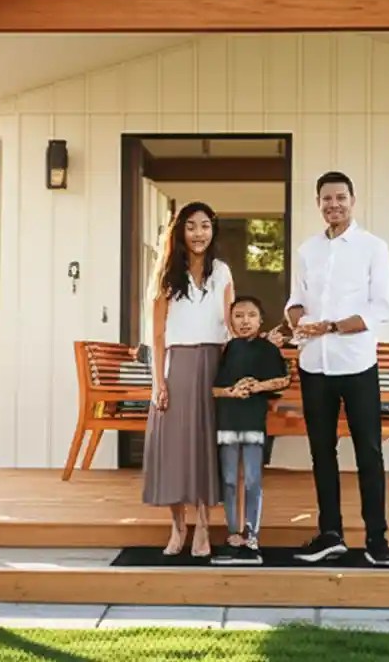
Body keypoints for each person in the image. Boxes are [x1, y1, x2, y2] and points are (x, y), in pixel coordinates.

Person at [271, 170, 389, 567]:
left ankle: (377, 540)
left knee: (369, 452)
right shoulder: (307, 250)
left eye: (340, 197)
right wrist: (296, 321)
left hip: (357, 362)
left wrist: (332, 326)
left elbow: (382, 307)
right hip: (313, 364)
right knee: (321, 452)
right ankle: (331, 534)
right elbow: (295, 299)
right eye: (326, 199)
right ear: (318, 203)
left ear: (352, 200)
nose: (333, 205)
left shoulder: (373, 247)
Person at [142, 201, 233, 558]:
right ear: (180, 232)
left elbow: (229, 326)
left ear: (213, 230)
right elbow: (158, 335)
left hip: (213, 363)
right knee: (173, 448)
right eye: (192, 226)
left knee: (204, 448)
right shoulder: (165, 274)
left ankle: (204, 528)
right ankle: (178, 527)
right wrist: (158, 383)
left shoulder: (222, 272)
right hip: (176, 365)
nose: (199, 233)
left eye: (205, 226)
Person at [210, 296, 290, 566]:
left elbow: (283, 380)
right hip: (227, 421)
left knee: (254, 480)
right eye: (238, 315)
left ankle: (252, 535)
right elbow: (211, 387)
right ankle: (233, 533)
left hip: (254, 423)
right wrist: (230, 392)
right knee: (230, 479)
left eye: (251, 315)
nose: (245, 321)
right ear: (230, 320)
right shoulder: (226, 349)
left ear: (260, 319)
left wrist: (257, 386)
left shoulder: (268, 349)